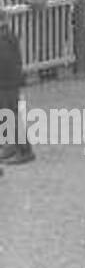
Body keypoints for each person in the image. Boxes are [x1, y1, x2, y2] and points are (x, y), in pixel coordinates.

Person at [0, 10, 27, 169]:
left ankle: (24, 150)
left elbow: (5, 63)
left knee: (10, 115)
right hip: (8, 82)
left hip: (7, 83)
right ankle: (8, 146)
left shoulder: (4, 38)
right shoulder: (7, 36)